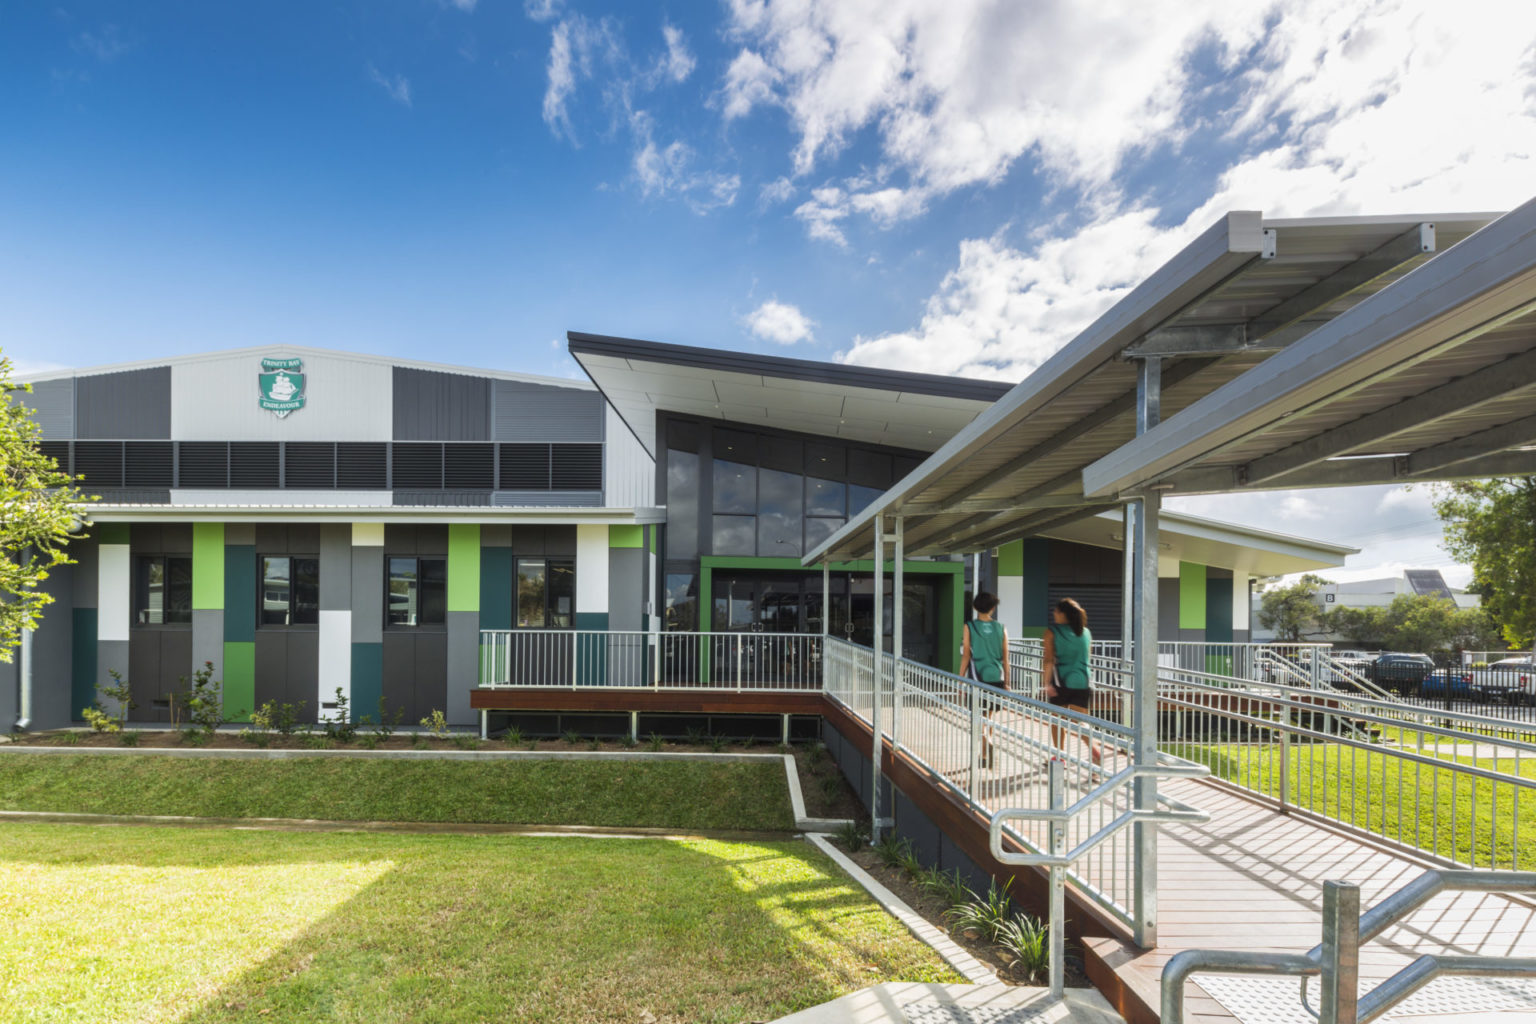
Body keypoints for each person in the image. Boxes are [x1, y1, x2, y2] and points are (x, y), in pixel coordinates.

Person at [1042, 597, 1102, 765]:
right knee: (1080, 720)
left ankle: (1059, 757)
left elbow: (1048, 659)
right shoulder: (1086, 632)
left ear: (1063, 614)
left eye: (1056, 610)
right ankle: (1095, 748)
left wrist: (1046, 683)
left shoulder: (1052, 631)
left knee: (1057, 719)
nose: (1053, 613)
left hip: (1060, 680)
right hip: (1083, 680)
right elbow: (1087, 657)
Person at [959, 592, 1008, 767]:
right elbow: (1005, 657)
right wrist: (1008, 682)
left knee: (977, 716)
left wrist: (960, 679)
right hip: (997, 677)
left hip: (977, 678)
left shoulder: (969, 627)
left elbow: (966, 655)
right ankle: (985, 754)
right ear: (993, 608)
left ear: (975, 607)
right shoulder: (1001, 628)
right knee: (990, 715)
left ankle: (986, 742)